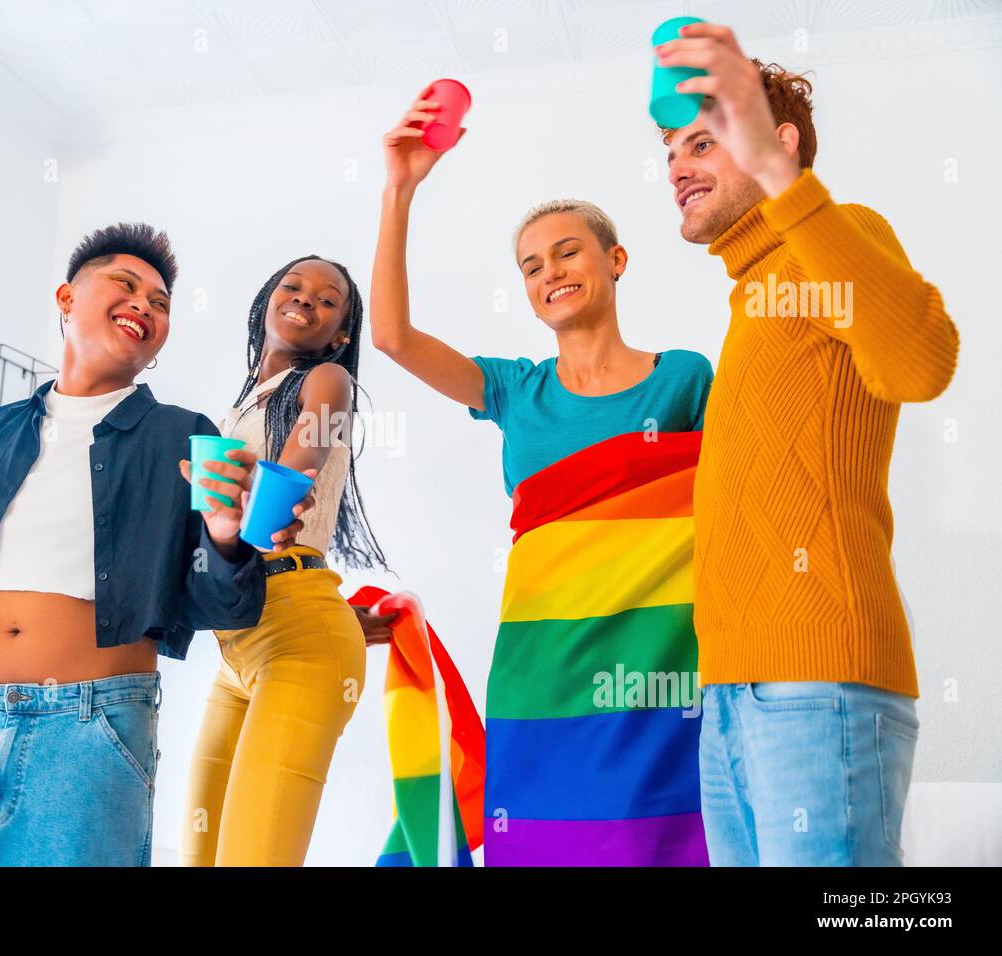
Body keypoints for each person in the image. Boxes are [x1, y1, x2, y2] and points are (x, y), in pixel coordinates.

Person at [0, 222, 315, 866]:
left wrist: (224, 536)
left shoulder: (185, 437)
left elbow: (225, 607)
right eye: (126, 286)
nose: (145, 306)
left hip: (92, 736)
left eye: (160, 303)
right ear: (67, 300)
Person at [369, 92, 714, 865]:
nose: (549, 272)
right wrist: (400, 188)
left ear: (614, 260)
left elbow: (736, 504)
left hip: (657, 677)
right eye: (531, 266)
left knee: (662, 845)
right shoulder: (514, 391)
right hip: (539, 676)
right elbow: (390, 336)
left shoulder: (684, 379)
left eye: (566, 251)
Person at [655, 22, 959, 865]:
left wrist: (788, 184)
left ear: (775, 143)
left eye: (704, 142)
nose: (676, 166)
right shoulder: (752, 295)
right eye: (670, 150)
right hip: (733, 697)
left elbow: (923, 360)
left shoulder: (834, 238)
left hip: (816, 686)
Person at [180, 254, 392, 866]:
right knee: (198, 852)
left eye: (329, 300)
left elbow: (289, 483)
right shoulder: (241, 406)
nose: (307, 299)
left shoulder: (327, 381)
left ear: (342, 333)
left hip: (297, 637)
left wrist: (248, 506)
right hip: (237, 644)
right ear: (267, 299)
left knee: (253, 856)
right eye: (293, 286)